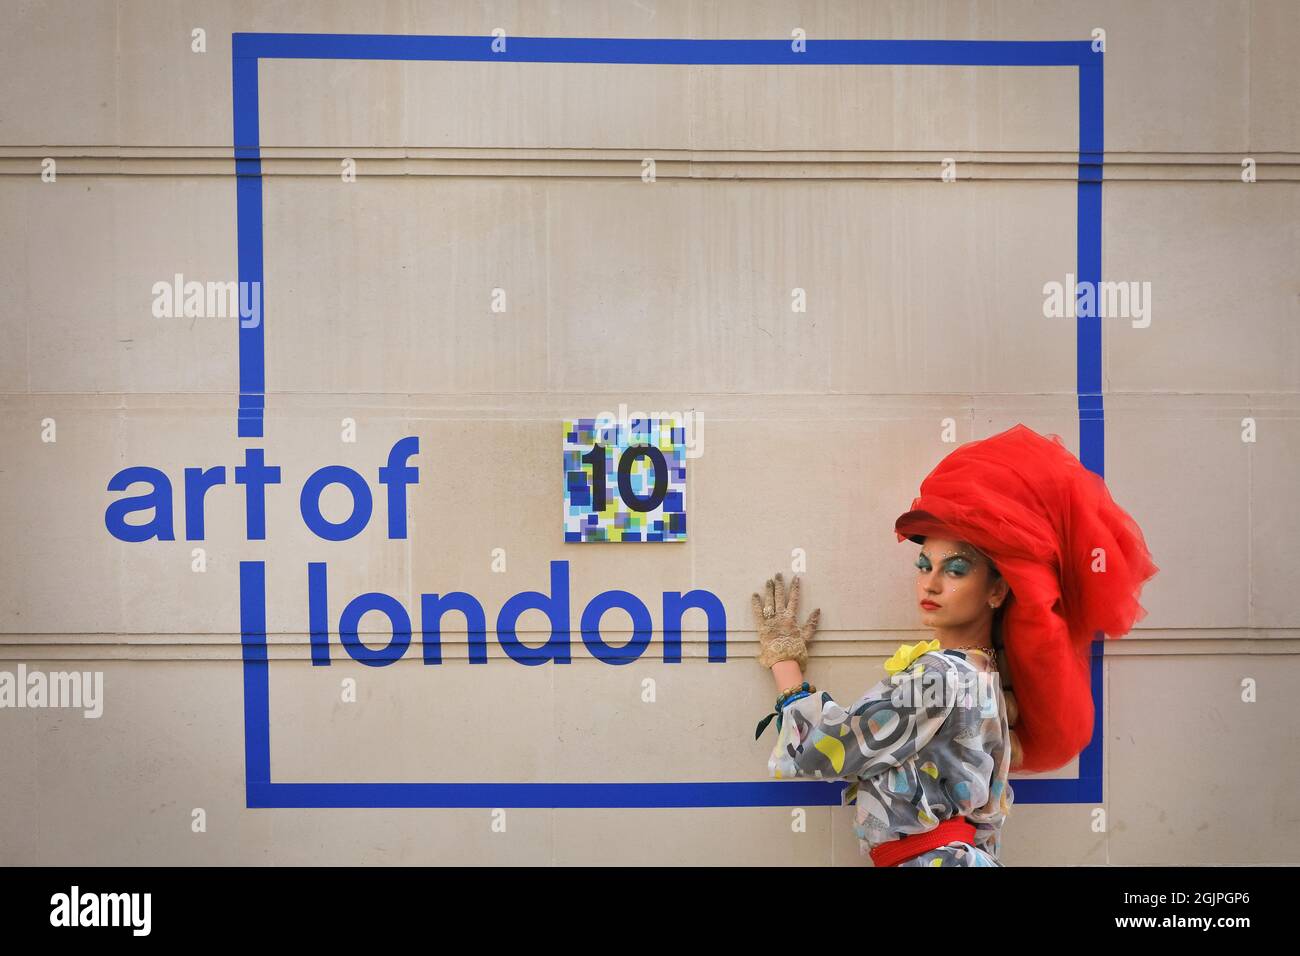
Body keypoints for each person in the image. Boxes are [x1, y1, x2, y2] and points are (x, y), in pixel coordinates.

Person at [752, 423, 1158, 866]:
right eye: (924, 565)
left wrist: (784, 662)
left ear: (997, 591)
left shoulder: (937, 678)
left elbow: (827, 749)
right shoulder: (990, 681)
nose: (931, 582)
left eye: (956, 569)